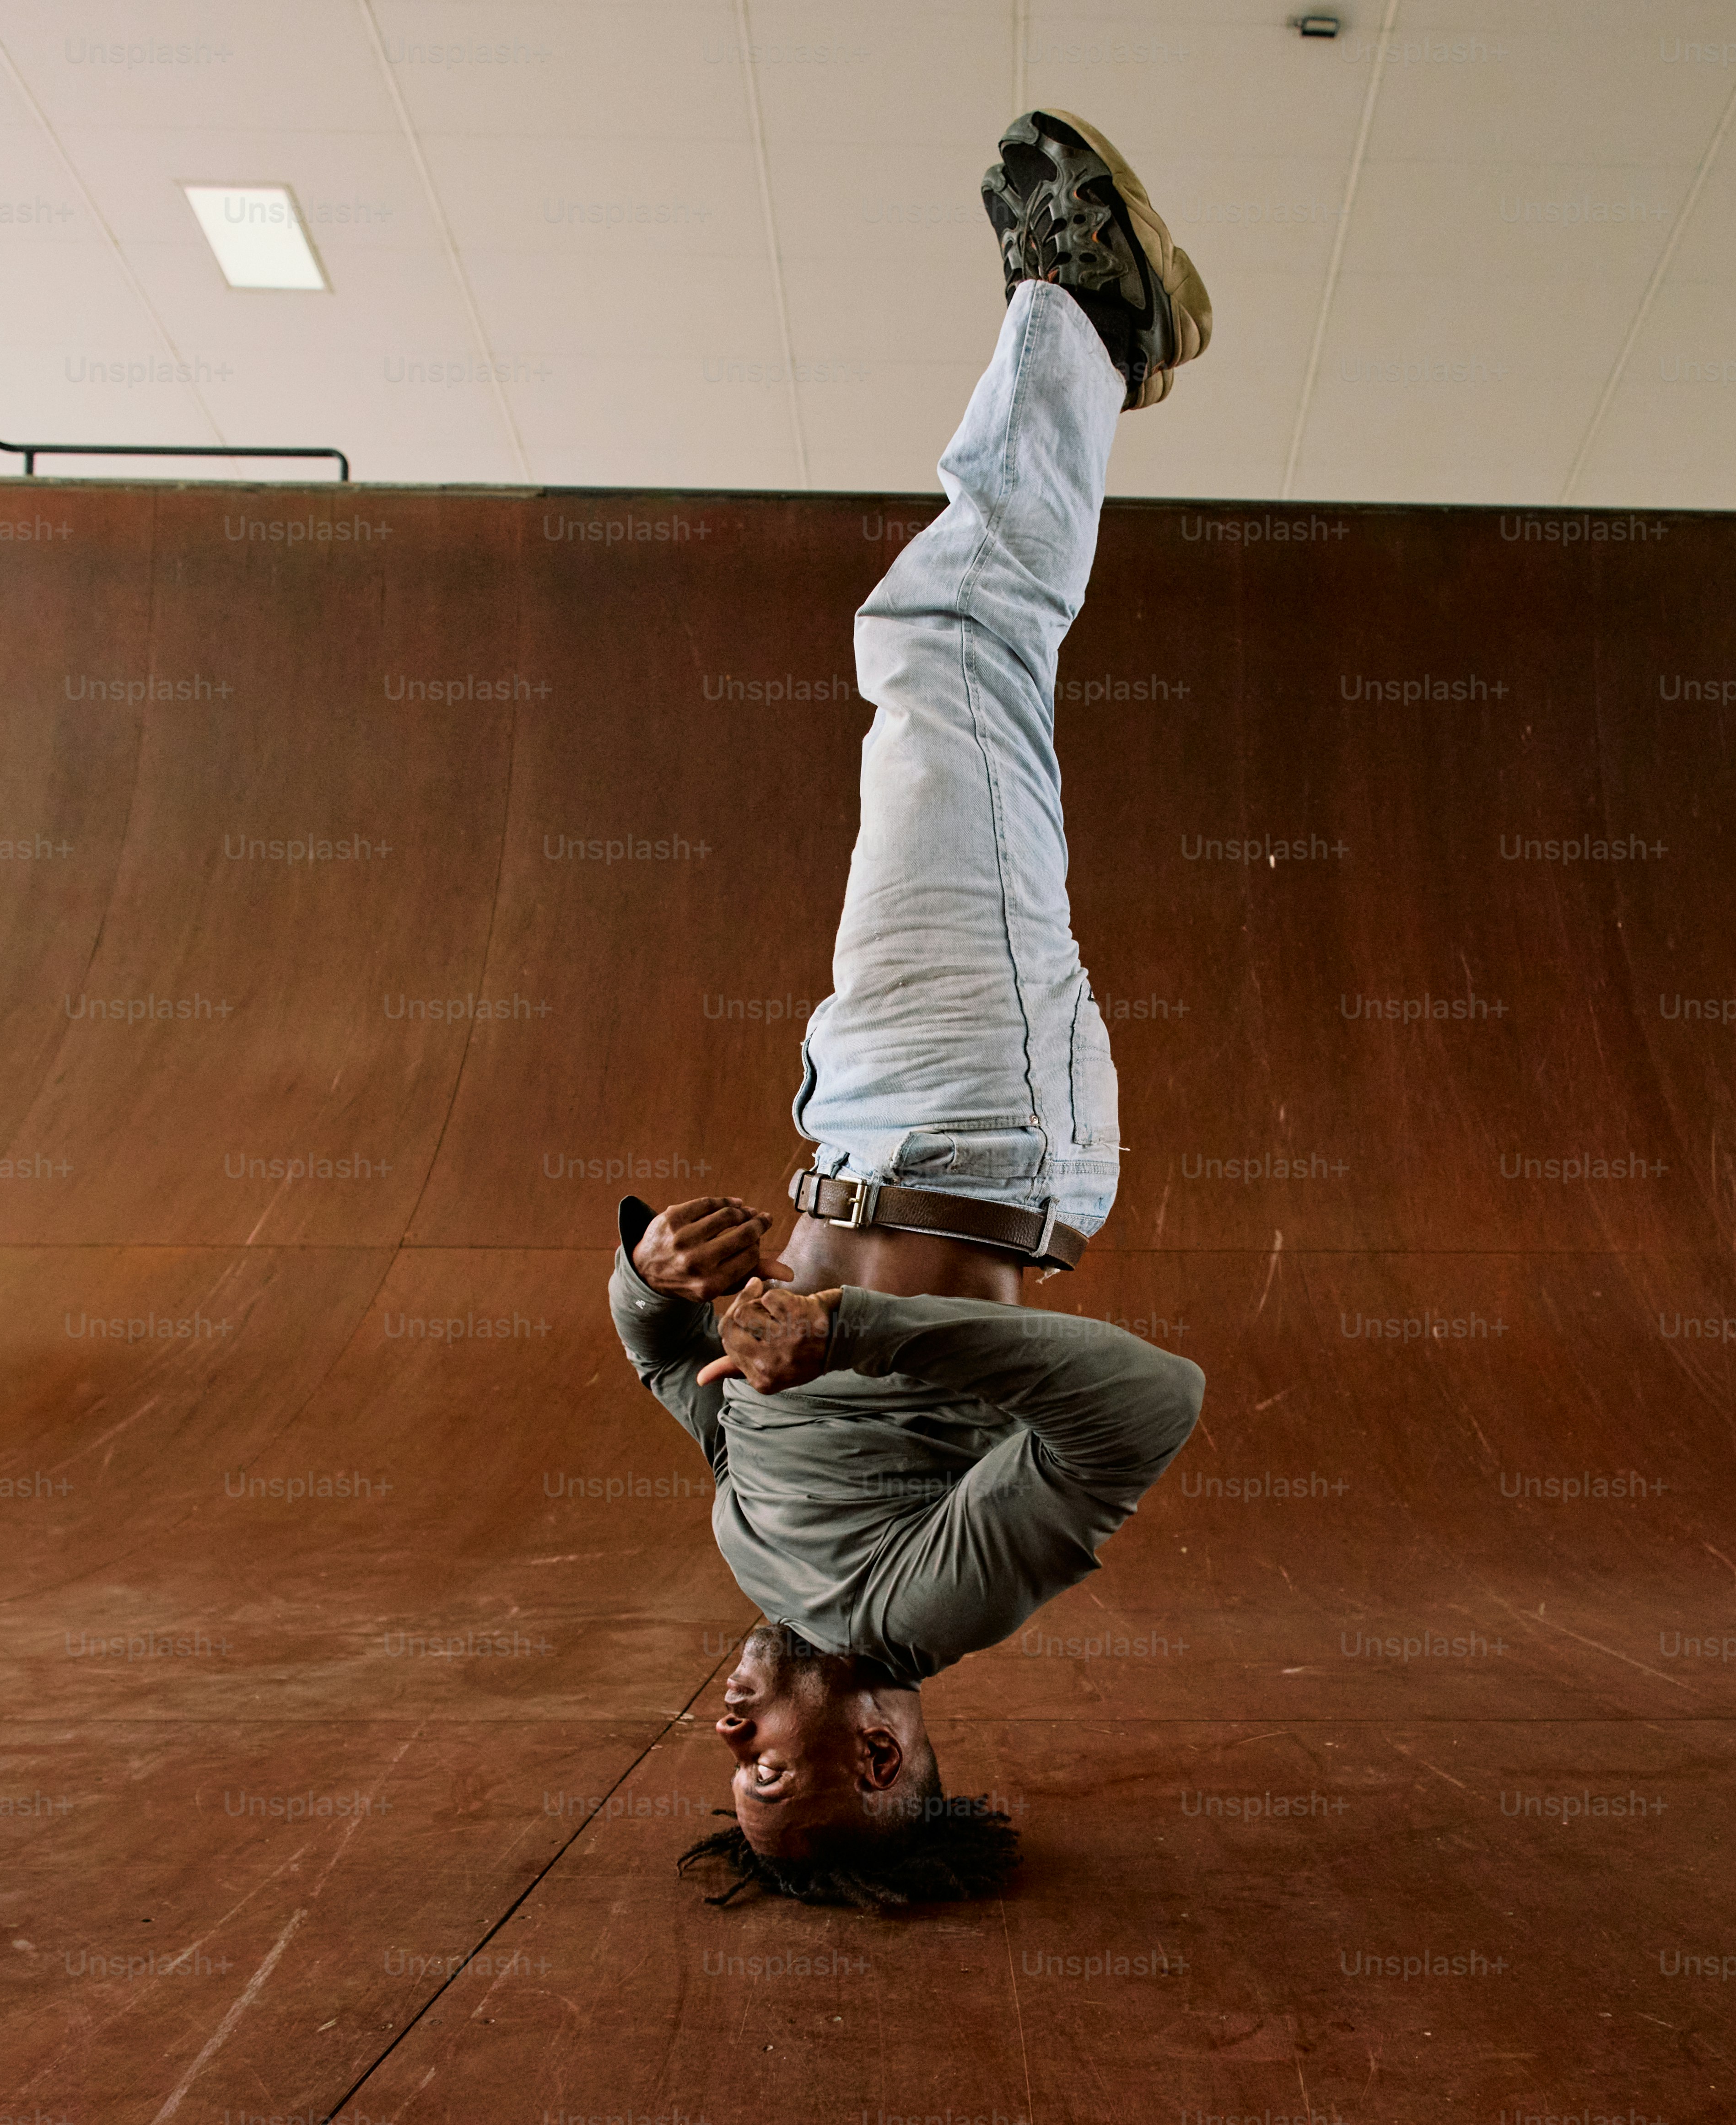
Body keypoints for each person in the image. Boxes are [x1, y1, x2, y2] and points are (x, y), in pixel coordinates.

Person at [605, 112, 1214, 1910]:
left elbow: (688, 1377)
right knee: (950, 651)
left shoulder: (777, 1562)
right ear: (879, 1756)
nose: (733, 1745)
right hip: (974, 1131)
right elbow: (1141, 1404)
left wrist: (651, 1279)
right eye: (776, 1780)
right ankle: (1088, 319)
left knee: (957, 661)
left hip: (868, 1117)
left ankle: (1088, 339)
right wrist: (852, 1342)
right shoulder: (914, 1610)